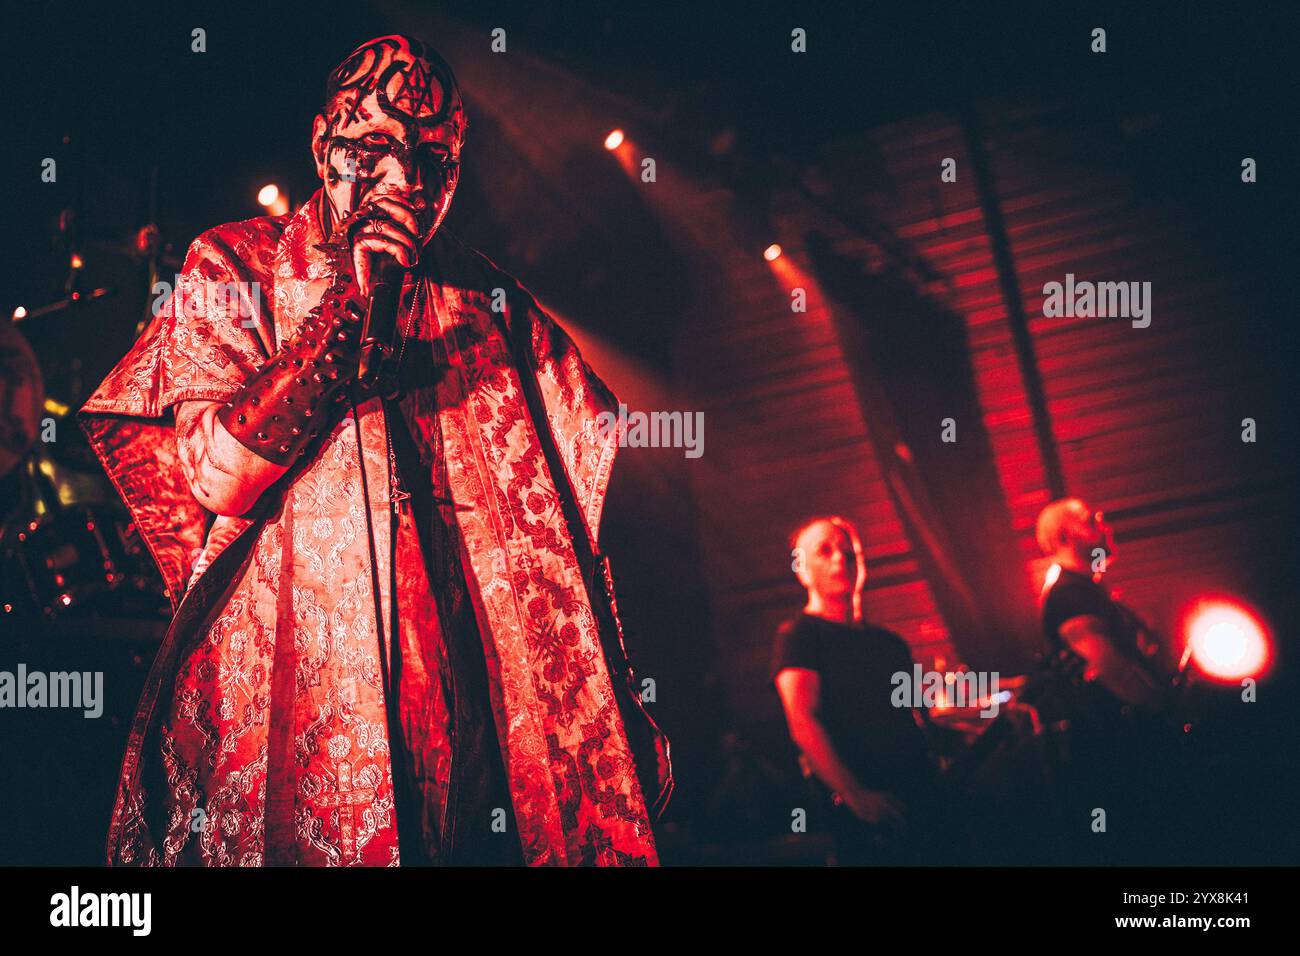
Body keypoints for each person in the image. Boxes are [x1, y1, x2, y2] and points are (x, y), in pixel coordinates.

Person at [79, 34, 665, 867]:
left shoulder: (495, 307)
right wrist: (342, 320)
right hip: (299, 692)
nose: (407, 183)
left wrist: (618, 700)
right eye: (376, 149)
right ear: (323, 143)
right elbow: (220, 480)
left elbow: (570, 540)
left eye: (436, 159)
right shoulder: (236, 262)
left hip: (474, 713)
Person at [771, 516, 942, 864]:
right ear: (802, 570)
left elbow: (918, 716)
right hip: (868, 815)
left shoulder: (889, 643)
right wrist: (856, 795)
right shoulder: (799, 636)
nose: (840, 559)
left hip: (918, 798)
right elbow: (803, 721)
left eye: (850, 552)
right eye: (826, 551)